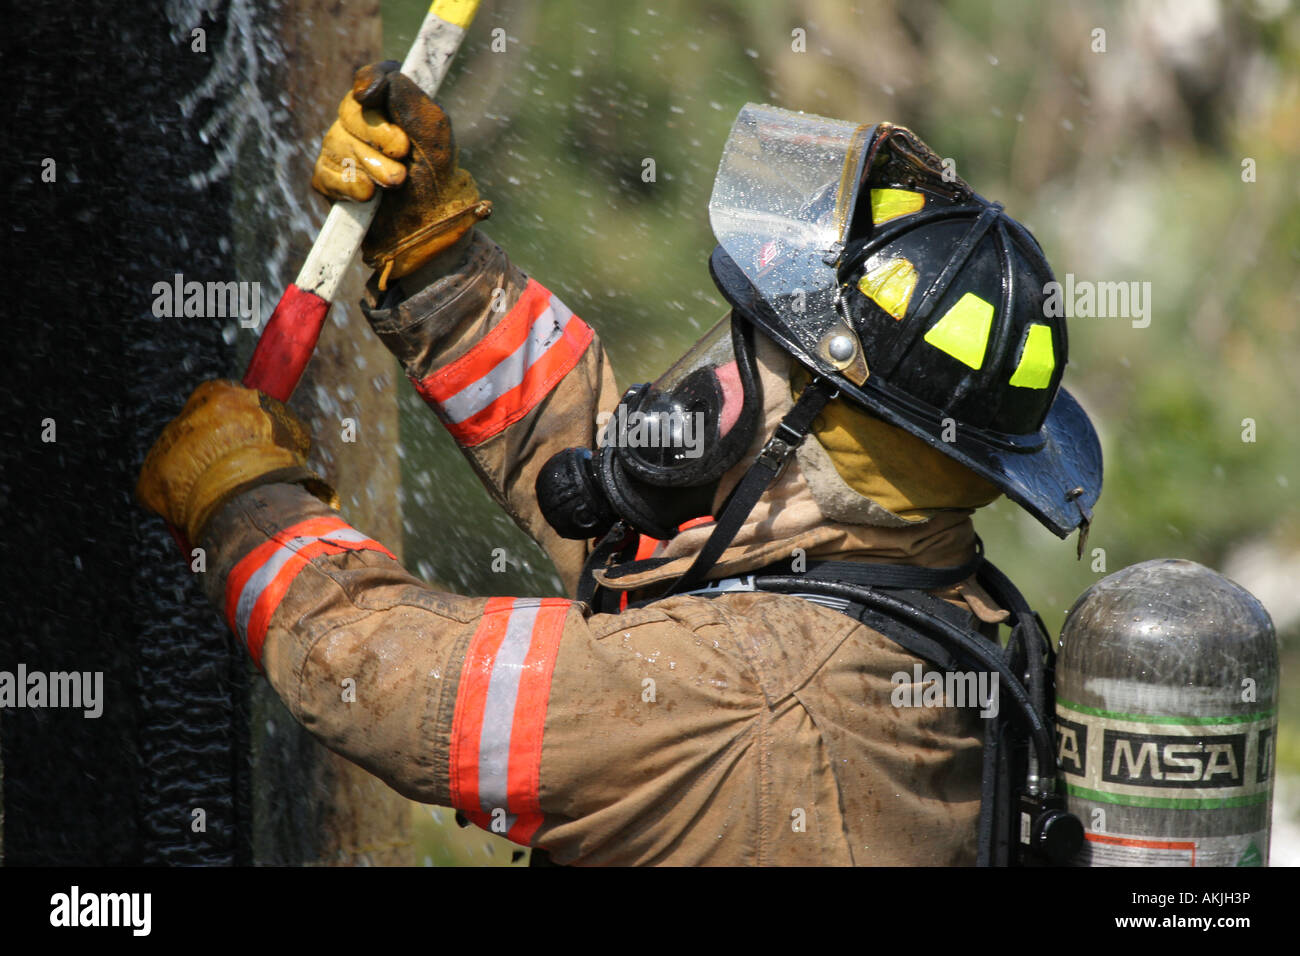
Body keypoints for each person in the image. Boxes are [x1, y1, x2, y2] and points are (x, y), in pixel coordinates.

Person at [136, 62, 1101, 865]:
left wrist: (243, 502)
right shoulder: (903, 578)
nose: (699, 396)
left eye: (739, 371)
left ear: (809, 433)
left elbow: (397, 680)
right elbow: (615, 493)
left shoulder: (753, 694)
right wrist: (434, 259)